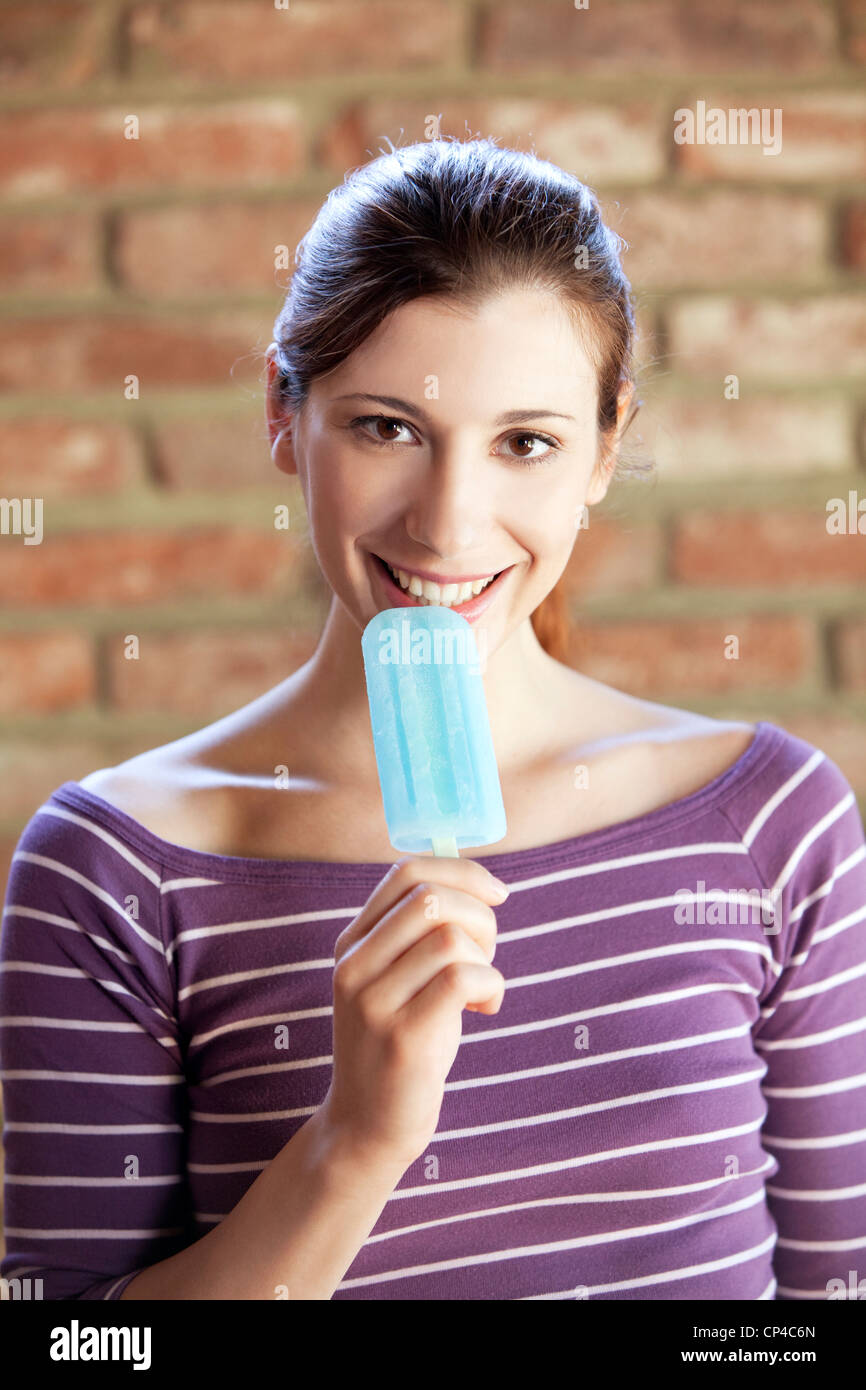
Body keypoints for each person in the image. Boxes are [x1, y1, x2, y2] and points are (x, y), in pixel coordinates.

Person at [1, 137, 864, 1301]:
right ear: (280, 414)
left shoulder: (772, 823)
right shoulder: (109, 870)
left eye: (525, 442)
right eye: (386, 427)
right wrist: (352, 1143)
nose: (450, 528)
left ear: (603, 448)